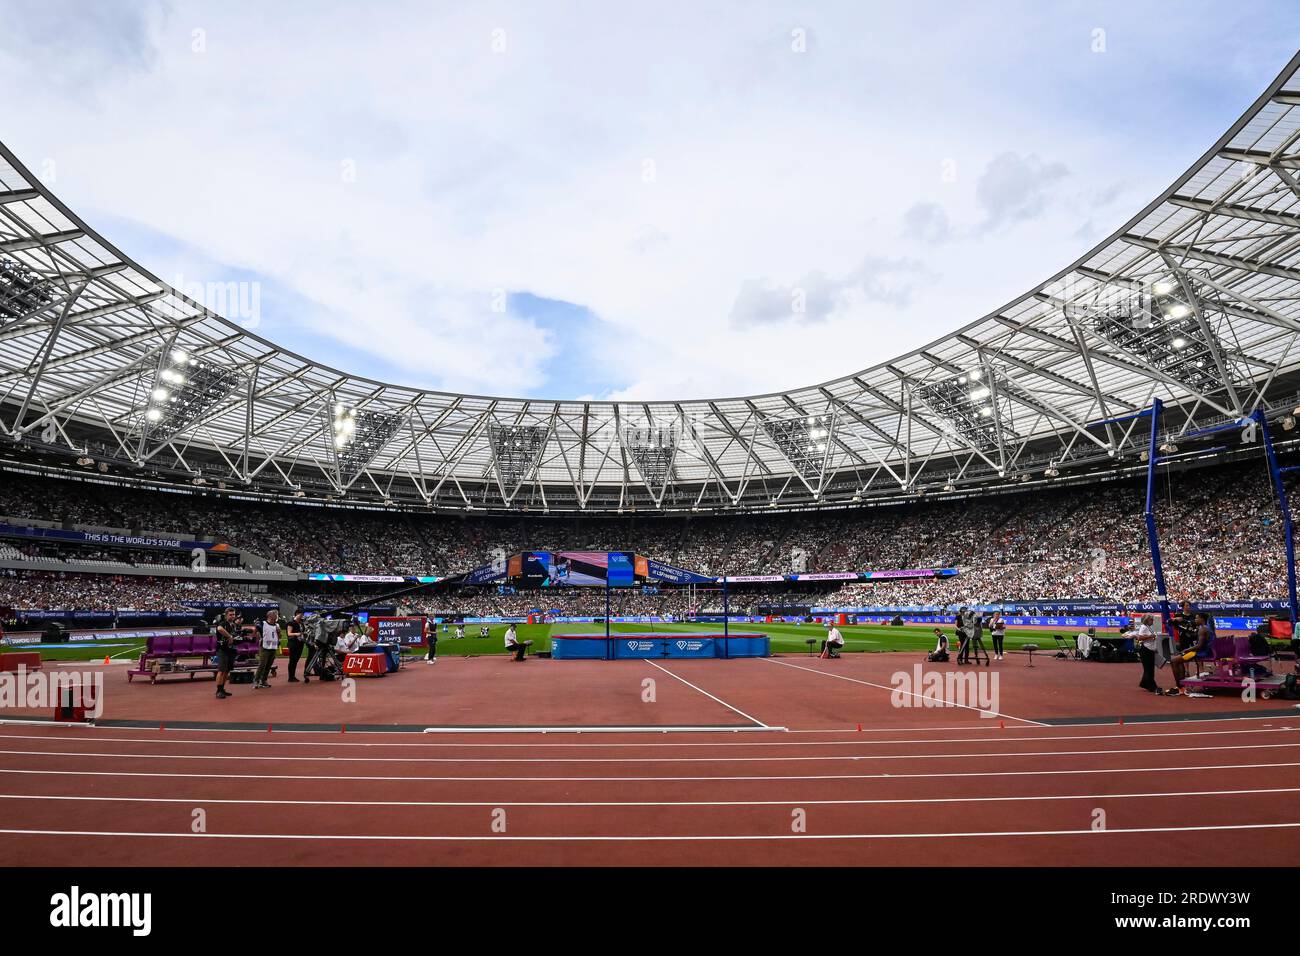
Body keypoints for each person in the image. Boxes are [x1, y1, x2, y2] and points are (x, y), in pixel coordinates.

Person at [1134, 613, 1175, 695]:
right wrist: (1151, 636)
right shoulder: (1143, 627)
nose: (1152, 621)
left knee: (1149, 668)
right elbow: (1140, 638)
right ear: (1147, 620)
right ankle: (1152, 686)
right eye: (1151, 619)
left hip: (1150, 649)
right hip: (1146, 650)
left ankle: (1145, 683)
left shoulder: (1148, 627)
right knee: (1149, 669)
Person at [213, 608, 239, 699]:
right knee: (221, 670)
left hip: (231, 650)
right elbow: (219, 629)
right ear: (226, 615)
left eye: (233, 614)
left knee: (227, 670)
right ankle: (218, 690)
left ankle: (222, 688)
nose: (232, 616)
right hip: (222, 649)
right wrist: (229, 636)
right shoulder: (223, 623)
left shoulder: (233, 624)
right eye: (230, 614)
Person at [254, 609, 280, 689]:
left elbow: (279, 636)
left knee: (268, 665)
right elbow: (256, 631)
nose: (276, 616)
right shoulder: (263, 623)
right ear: (269, 616)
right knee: (262, 664)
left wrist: (279, 633)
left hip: (273, 647)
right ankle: (256, 680)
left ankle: (263, 680)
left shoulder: (277, 625)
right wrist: (258, 637)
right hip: (265, 647)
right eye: (275, 614)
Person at [285, 609, 308, 683]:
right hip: (293, 644)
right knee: (292, 660)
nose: (302, 616)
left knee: (296, 660)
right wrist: (296, 634)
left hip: (300, 643)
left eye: (302, 615)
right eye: (301, 615)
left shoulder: (301, 623)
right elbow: (289, 633)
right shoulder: (291, 623)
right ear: (297, 614)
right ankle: (291, 677)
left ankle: (293, 676)